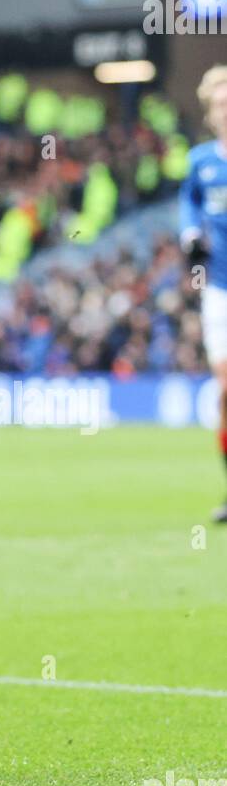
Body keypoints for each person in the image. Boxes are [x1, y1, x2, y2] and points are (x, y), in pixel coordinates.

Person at [179, 64, 227, 521]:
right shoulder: (202, 163)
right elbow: (187, 203)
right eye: (219, 106)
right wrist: (190, 232)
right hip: (220, 288)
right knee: (225, 389)